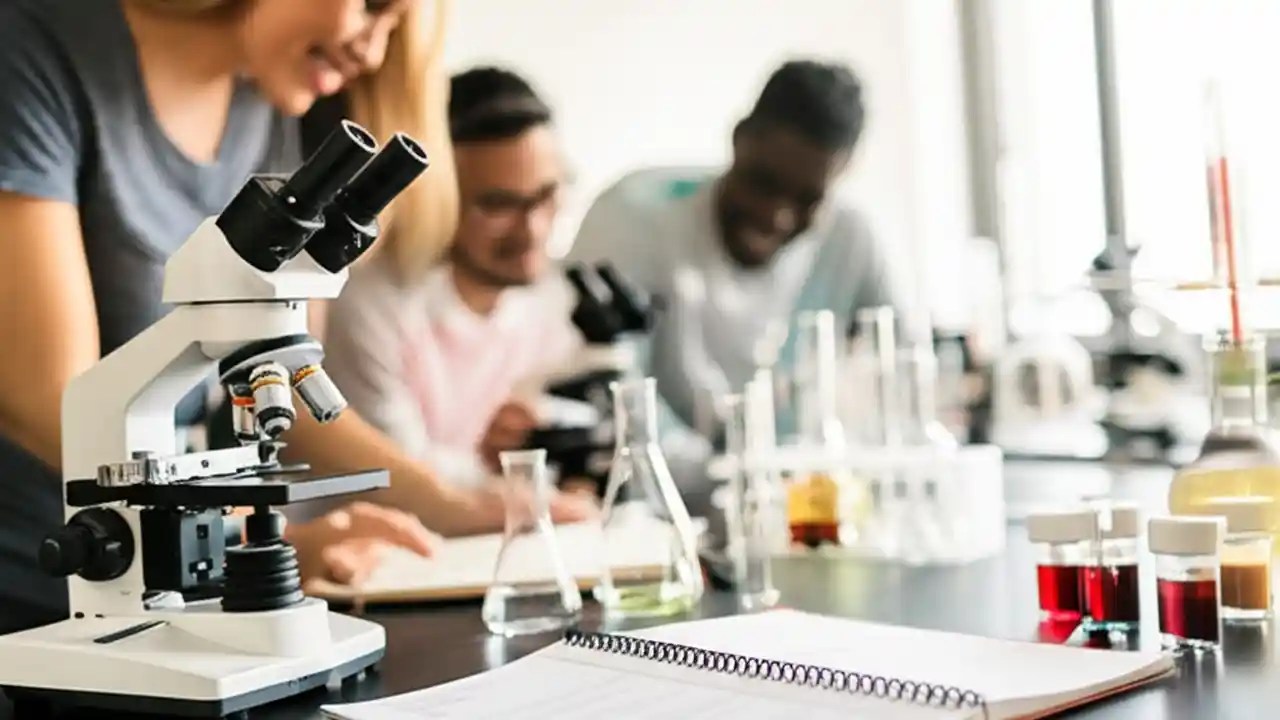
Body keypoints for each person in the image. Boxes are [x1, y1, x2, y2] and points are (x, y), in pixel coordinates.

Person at [0, 0, 516, 634]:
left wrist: (454, 506)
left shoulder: (271, 97)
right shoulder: (29, 53)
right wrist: (242, 544)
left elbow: (282, 380)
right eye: (372, 7)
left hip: (158, 583)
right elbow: (46, 402)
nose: (373, 52)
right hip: (33, 587)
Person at [563, 59, 907, 466]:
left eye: (808, 200)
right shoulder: (634, 216)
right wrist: (725, 481)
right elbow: (603, 387)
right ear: (739, 138)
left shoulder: (849, 239)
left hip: (799, 493)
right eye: (764, 183)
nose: (776, 216)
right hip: (663, 499)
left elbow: (903, 370)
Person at [322, 66, 583, 488]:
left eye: (546, 196)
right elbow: (397, 479)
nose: (532, 230)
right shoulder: (370, 305)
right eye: (499, 205)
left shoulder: (551, 299)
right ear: (435, 197)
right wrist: (505, 468)